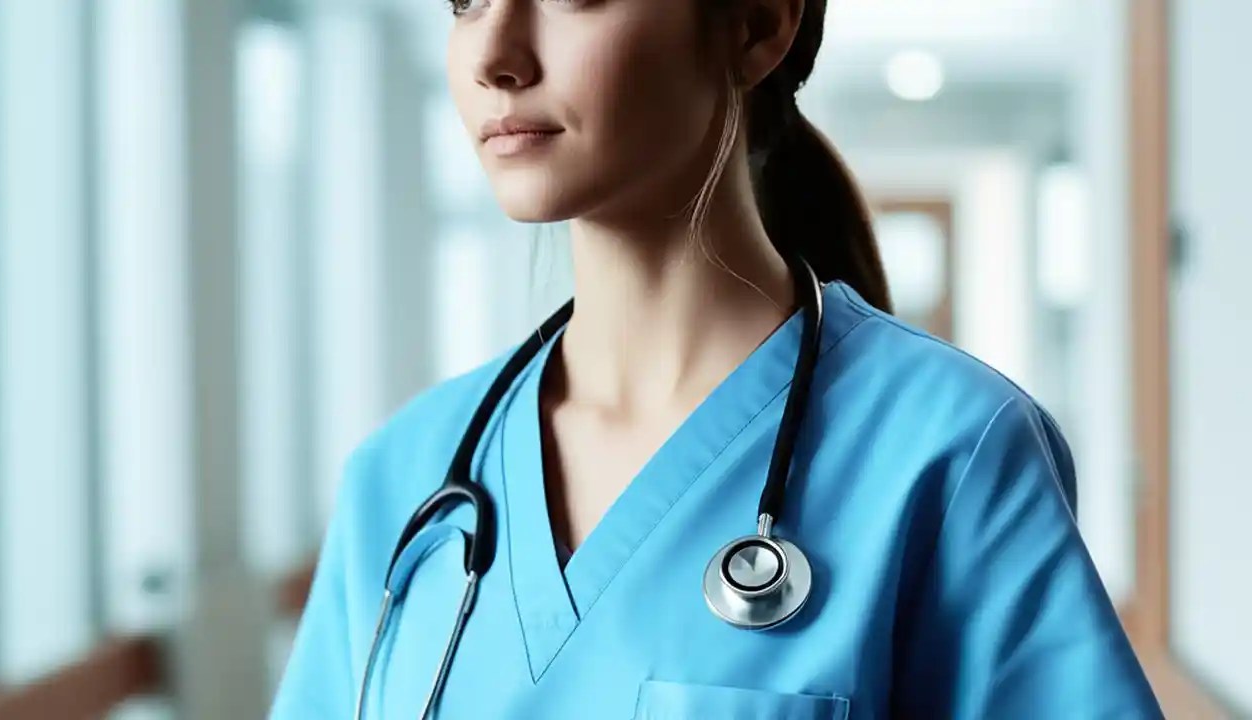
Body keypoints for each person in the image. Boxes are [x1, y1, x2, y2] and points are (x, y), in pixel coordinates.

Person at [271, 0, 1163, 716]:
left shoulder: (949, 452)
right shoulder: (403, 483)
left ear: (757, 24)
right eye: (466, 1)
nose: (495, 53)